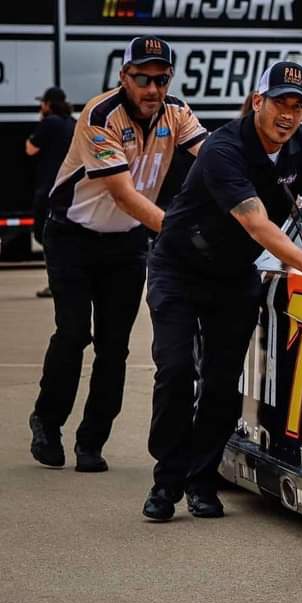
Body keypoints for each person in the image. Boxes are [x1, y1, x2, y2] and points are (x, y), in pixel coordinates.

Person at [142, 61, 302, 521]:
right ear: (258, 101)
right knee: (177, 372)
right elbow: (255, 221)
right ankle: (167, 479)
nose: (289, 114)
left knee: (222, 385)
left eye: (298, 106)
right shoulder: (224, 148)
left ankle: (202, 482)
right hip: (179, 268)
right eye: (281, 102)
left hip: (234, 274)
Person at [28, 36, 206, 472]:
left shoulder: (177, 113)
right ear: (123, 77)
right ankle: (47, 422)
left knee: (115, 346)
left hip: (126, 243)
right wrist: (177, 231)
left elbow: (215, 159)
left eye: (160, 78)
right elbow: (123, 193)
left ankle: (91, 441)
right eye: (141, 77)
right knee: (73, 334)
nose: (152, 88)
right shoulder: (100, 114)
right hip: (72, 234)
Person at [25, 86, 76, 298]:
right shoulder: (74, 123)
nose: (41, 106)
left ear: (49, 104)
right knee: (69, 237)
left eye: (43, 103)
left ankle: (55, 281)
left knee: (46, 235)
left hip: (49, 188)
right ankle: (71, 279)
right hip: (72, 189)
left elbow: (31, 149)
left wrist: (37, 127)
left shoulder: (48, 123)